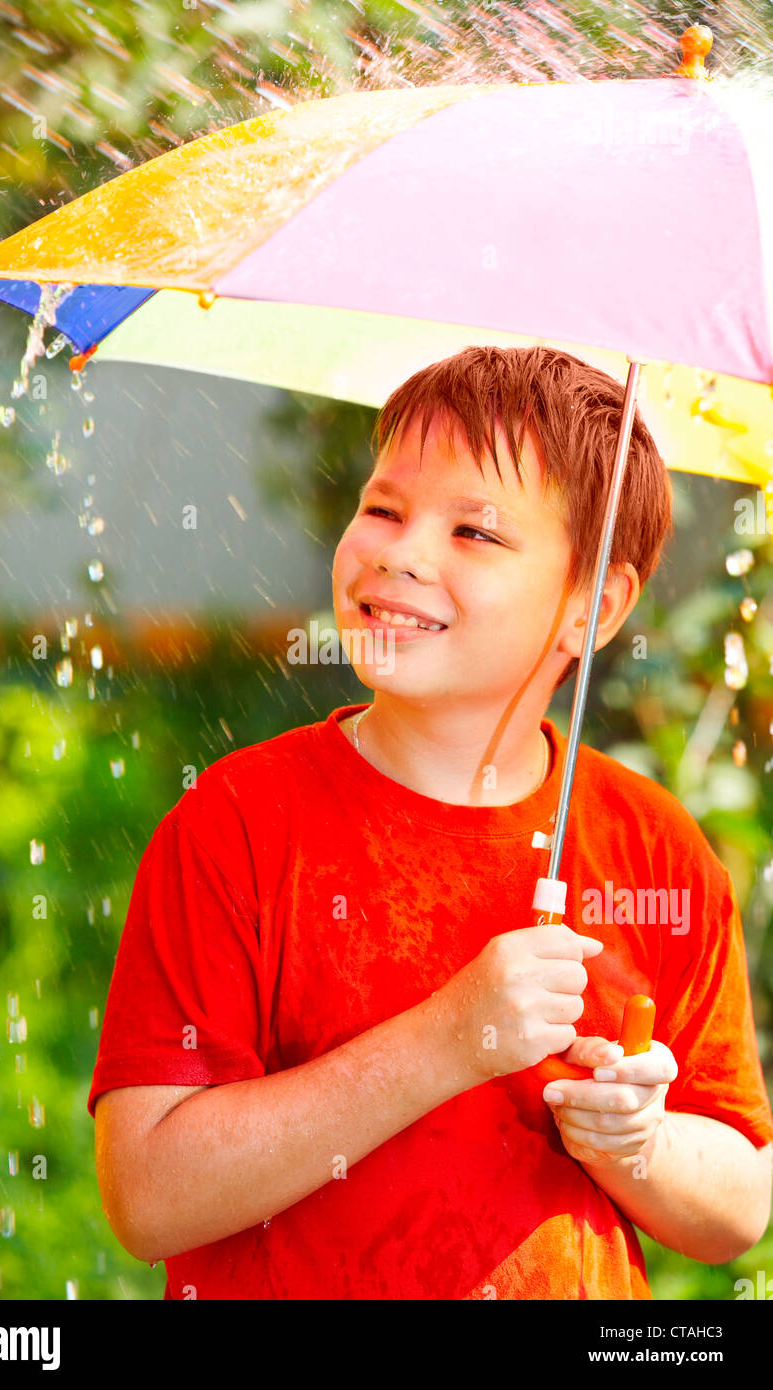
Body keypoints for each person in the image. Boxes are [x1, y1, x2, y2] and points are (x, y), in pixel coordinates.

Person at [88, 345, 773, 1300]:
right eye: (383, 509)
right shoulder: (236, 827)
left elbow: (740, 1205)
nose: (401, 553)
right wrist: (446, 1043)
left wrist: (640, 1145)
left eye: (476, 534)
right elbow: (150, 1194)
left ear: (595, 604)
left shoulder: (654, 851)